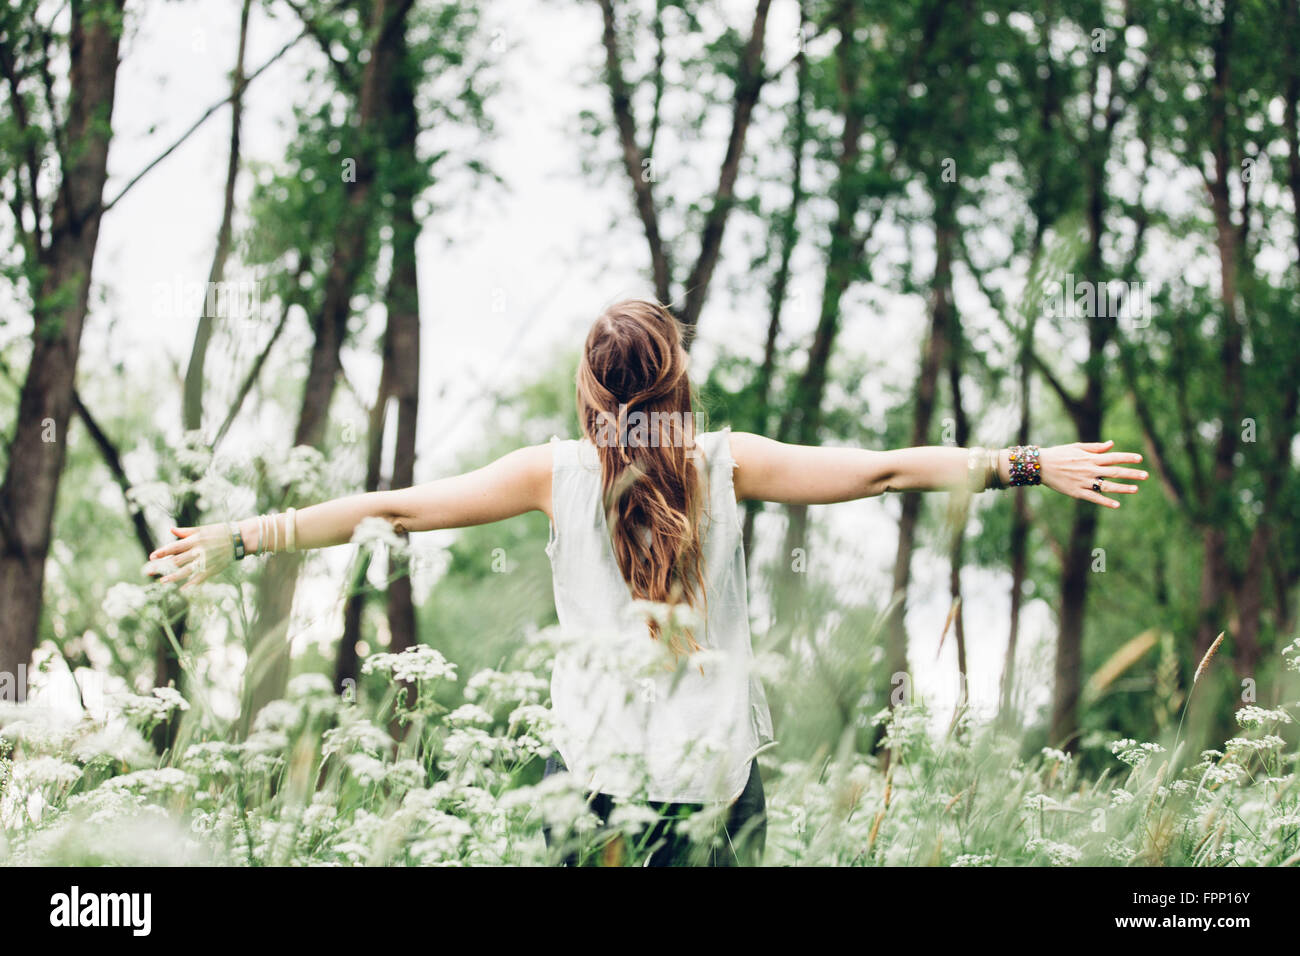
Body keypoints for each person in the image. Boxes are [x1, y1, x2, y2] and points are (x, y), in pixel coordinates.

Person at [146, 298, 1148, 866]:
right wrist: (1030, 462)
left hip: (592, 788)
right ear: (678, 380)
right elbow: (885, 467)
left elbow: (396, 507)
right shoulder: (729, 459)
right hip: (717, 789)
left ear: (591, 389)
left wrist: (242, 536)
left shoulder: (552, 471)